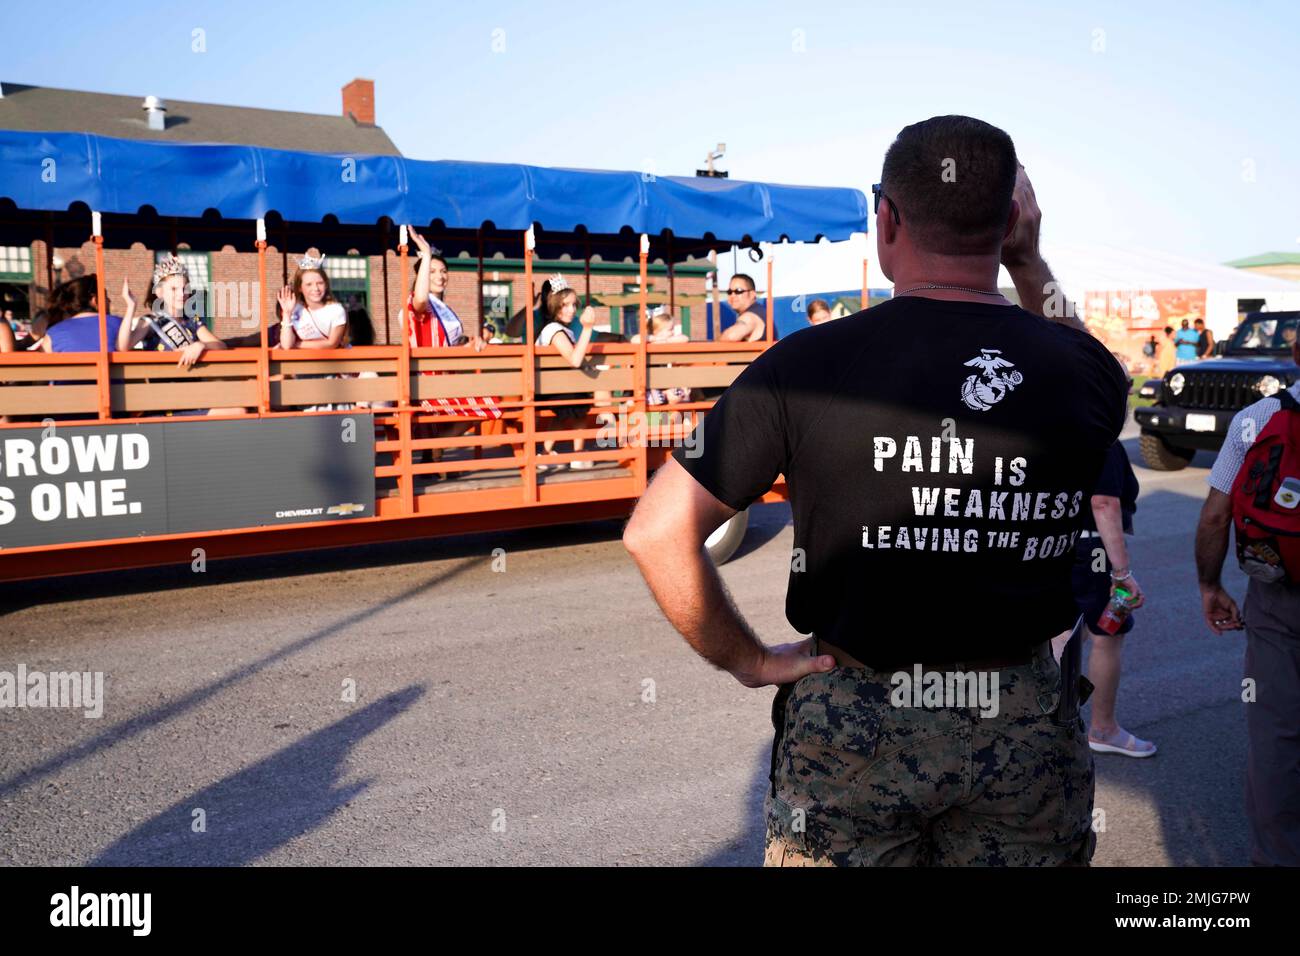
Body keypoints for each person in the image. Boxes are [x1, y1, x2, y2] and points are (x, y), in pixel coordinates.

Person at [624, 115, 1127, 867]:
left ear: (886, 219)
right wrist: (1029, 259)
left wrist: (750, 661)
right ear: (1011, 221)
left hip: (852, 723)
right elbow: (1080, 352)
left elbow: (656, 532)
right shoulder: (1081, 372)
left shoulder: (803, 364)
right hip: (1021, 719)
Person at [1194, 328, 1300, 866]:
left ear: (1297, 352)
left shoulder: (1255, 419)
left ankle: (1279, 856)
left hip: (1278, 592)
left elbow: (1215, 514)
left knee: (1274, 733)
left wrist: (1211, 586)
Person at [1052, 427, 1153, 756]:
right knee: (1106, 636)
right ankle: (1103, 729)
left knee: (1064, 635)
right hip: (1093, 549)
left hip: (1058, 545)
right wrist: (1121, 573)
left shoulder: (1057, 428)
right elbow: (1104, 502)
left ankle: (1049, 727)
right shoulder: (1102, 438)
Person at [405, 229, 500, 468]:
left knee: (493, 402)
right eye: (433, 271)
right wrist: (425, 255)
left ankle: (435, 452)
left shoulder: (443, 307)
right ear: (422, 275)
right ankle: (434, 452)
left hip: (447, 378)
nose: (440, 276)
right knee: (489, 402)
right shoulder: (419, 302)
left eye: (443, 271)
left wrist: (473, 343)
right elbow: (420, 301)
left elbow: (452, 344)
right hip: (428, 382)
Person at [117, 256, 226, 368]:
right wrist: (131, 306)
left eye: (184, 289)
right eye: (174, 289)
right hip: (161, 383)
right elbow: (122, 346)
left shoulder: (192, 320)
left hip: (191, 381)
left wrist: (200, 345)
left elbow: (220, 345)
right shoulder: (151, 321)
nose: (181, 294)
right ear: (160, 292)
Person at [536, 273, 598, 470]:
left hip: (556, 385)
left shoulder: (559, 329)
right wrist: (587, 328)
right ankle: (576, 454)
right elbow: (574, 359)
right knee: (578, 402)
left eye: (573, 304)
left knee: (574, 401)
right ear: (555, 306)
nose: (571, 310)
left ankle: (546, 453)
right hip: (549, 388)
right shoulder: (554, 330)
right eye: (565, 305)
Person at [277, 253, 347, 351]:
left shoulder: (336, 310)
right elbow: (287, 345)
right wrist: (287, 313)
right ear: (300, 287)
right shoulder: (295, 309)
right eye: (309, 284)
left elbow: (332, 343)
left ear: (326, 284)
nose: (316, 288)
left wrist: (297, 344)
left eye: (320, 283)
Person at [38, 276, 123, 353]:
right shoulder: (117, 324)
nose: (109, 301)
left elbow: (42, 362)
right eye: (105, 297)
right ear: (95, 300)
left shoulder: (54, 332)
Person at [719, 274, 766, 341]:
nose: (732, 295)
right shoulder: (759, 311)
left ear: (752, 294)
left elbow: (730, 336)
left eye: (738, 291)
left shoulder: (750, 316)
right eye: (729, 292)